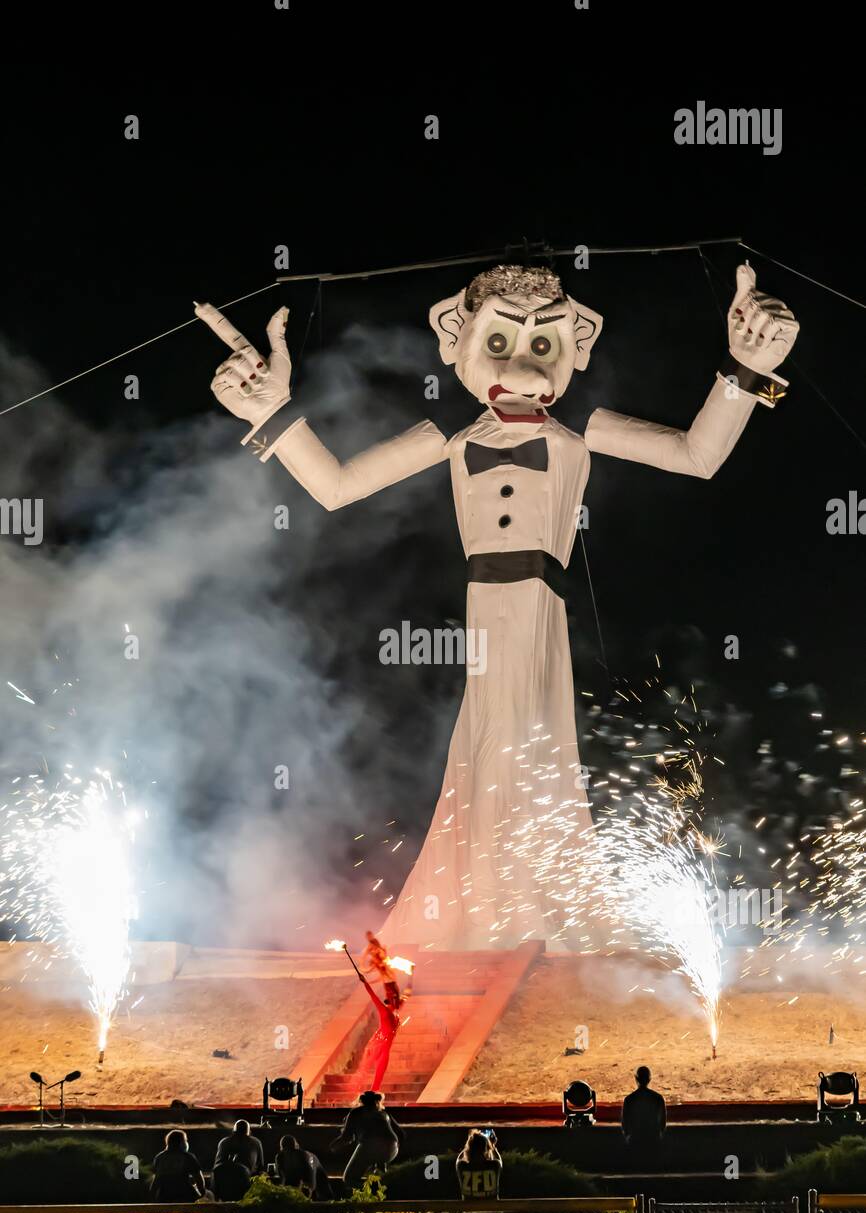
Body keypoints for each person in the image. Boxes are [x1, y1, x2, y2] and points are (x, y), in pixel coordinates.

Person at [198, 262, 799, 951]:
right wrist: (269, 414)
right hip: (487, 611)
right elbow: (335, 486)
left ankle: (534, 906)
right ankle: (484, 908)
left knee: (533, 744)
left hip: (539, 612)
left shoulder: (583, 435)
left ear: (575, 347)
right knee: (490, 744)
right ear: (457, 341)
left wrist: (744, 372)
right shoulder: (447, 442)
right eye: (500, 343)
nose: (521, 367)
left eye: (542, 346)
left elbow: (697, 453)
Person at [331, 1091, 402, 1190]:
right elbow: (401, 1134)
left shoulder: (355, 1113)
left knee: (349, 1179)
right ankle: (380, 1169)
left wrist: (333, 1146)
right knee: (374, 1155)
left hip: (371, 1145)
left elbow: (347, 1138)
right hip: (392, 1148)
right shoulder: (383, 1113)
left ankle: (371, 1190)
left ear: (361, 1102)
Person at [621, 1066, 667, 1167]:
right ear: (649, 1080)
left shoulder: (629, 1099)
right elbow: (662, 1124)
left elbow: (625, 1124)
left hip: (635, 1141)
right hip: (653, 1141)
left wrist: (630, 1138)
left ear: (636, 1079)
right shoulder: (658, 1098)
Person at [150, 1130, 205, 1202]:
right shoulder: (187, 1157)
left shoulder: (160, 1157)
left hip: (165, 1197)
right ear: (181, 1142)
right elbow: (198, 1178)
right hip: (185, 1196)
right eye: (185, 1140)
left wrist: (152, 1198)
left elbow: (156, 1180)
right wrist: (202, 1192)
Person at [276, 1132, 334, 1200]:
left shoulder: (308, 1158)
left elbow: (311, 1183)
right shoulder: (280, 1158)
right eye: (286, 1152)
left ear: (297, 1150)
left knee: (324, 1197)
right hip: (303, 1183)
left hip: (318, 1183)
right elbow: (283, 1181)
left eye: (291, 1152)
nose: (289, 1155)